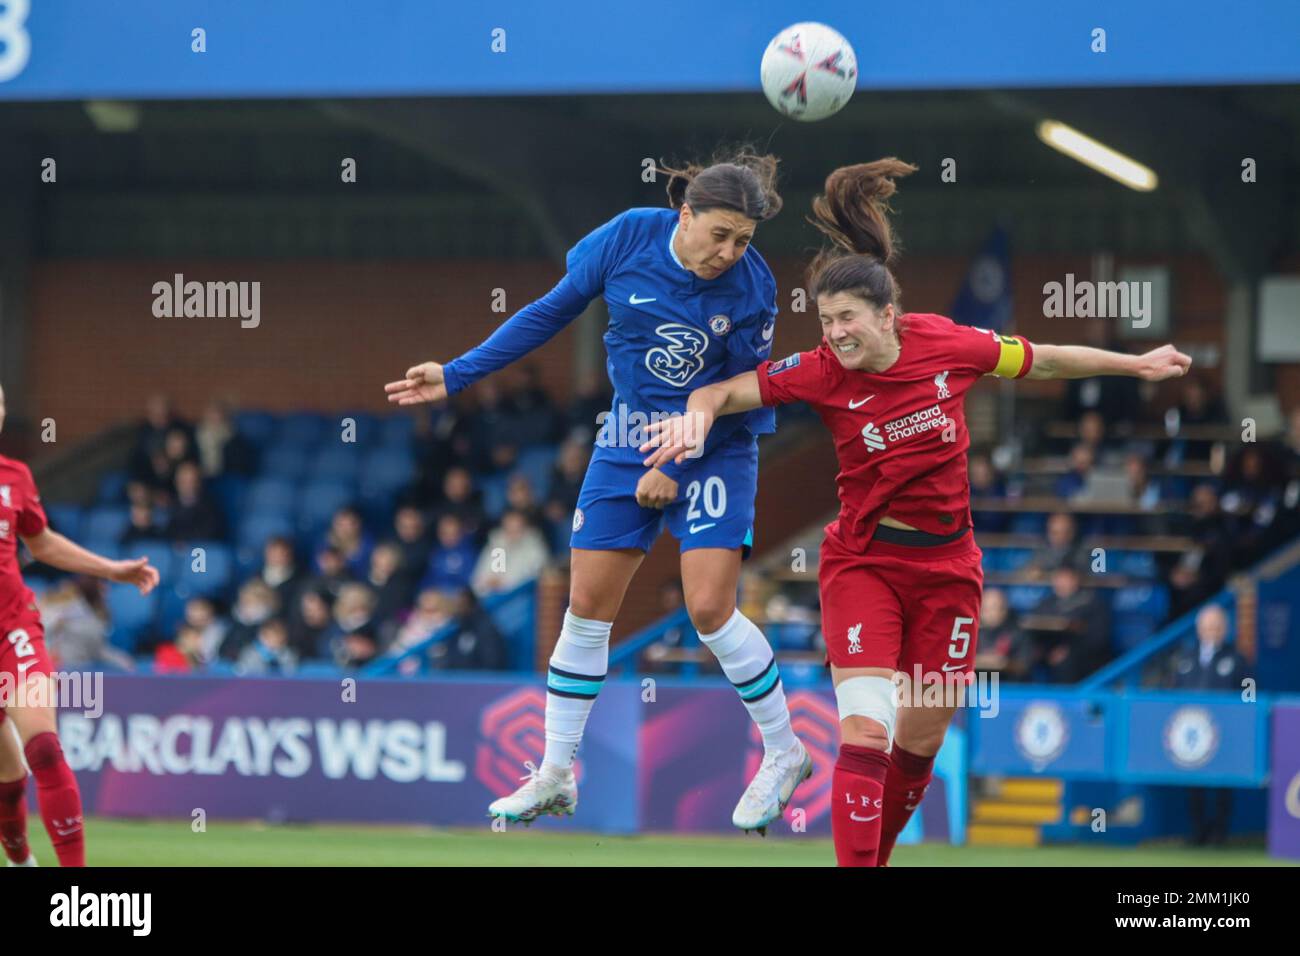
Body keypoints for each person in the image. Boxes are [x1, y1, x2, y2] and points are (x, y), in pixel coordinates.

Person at [641, 158, 1192, 865]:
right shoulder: (821, 372)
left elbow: (1046, 359)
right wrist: (688, 425)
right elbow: (722, 394)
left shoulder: (948, 345)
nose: (834, 334)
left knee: (919, 742)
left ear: (888, 316)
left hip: (949, 570)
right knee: (864, 733)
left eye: (846, 320)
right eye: (826, 320)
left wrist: (1136, 365)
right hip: (865, 563)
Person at [386, 149, 811, 832]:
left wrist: (672, 467)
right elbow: (550, 311)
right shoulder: (627, 238)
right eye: (720, 234)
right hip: (627, 435)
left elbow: (737, 394)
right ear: (685, 214)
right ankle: (555, 775)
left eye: (744, 240)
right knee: (584, 608)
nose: (730, 252)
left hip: (716, 443)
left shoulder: (753, 288)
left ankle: (786, 752)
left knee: (708, 609)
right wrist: (458, 374)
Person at [0, 384, 161, 867]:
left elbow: (42, 543)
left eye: (1, 402)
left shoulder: (15, 477)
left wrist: (113, 570)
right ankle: (22, 860)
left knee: (45, 748)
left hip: (12, 631)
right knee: (7, 785)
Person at [1168, 604, 1248, 845]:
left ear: (1225, 629)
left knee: (1223, 783)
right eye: (1207, 626)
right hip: (1193, 731)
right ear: (1199, 629)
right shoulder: (1186, 658)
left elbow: (1248, 693)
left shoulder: (1236, 658)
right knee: (1194, 782)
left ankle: (1220, 833)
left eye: (1217, 626)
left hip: (1225, 732)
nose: (1212, 631)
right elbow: (1175, 692)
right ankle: (1197, 831)